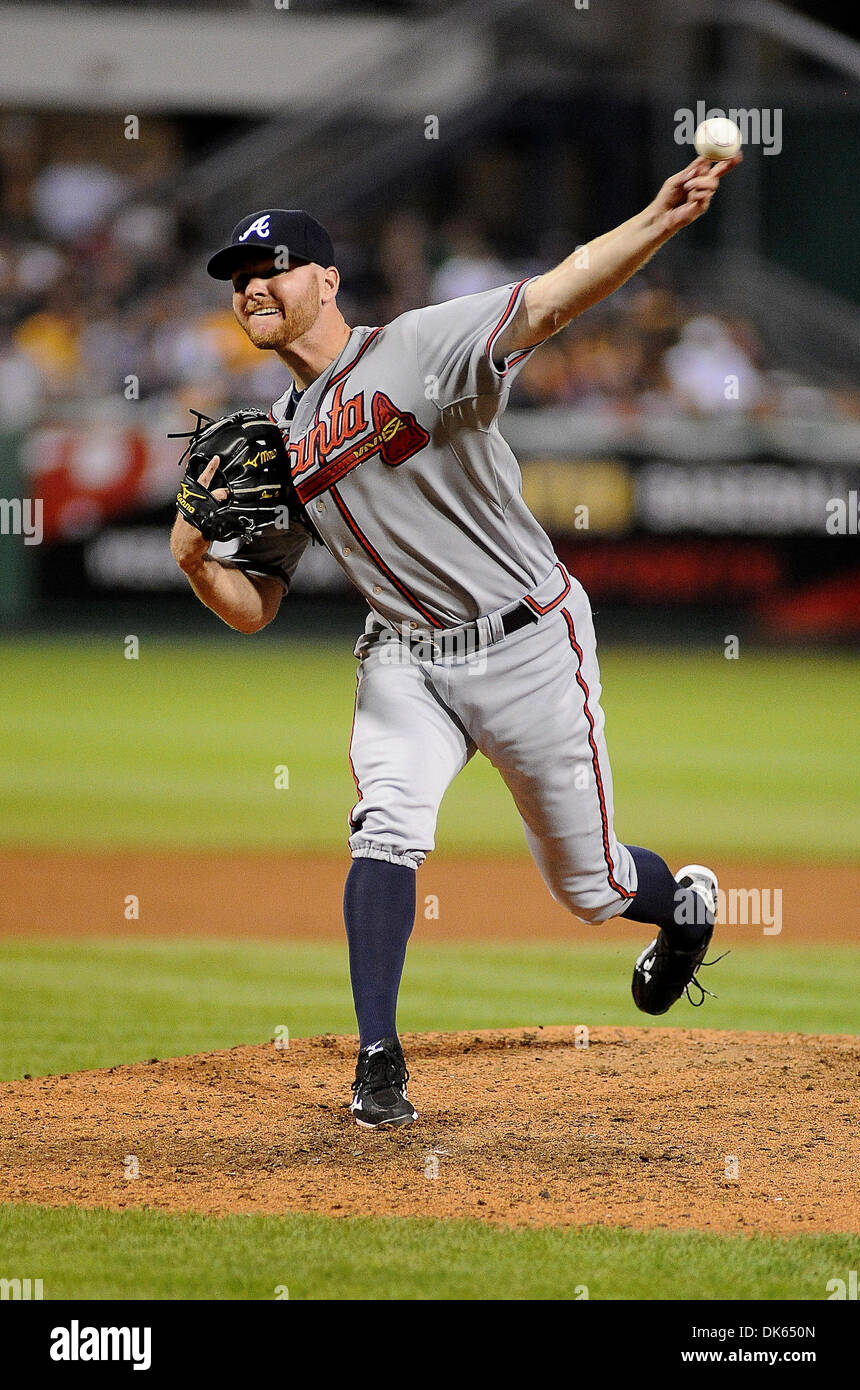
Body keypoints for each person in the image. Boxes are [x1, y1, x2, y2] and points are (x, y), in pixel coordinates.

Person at [170, 152, 741, 1128]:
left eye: (271, 267)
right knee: (384, 825)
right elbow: (255, 608)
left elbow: (554, 299)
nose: (252, 285)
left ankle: (681, 905)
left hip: (525, 641)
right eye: (237, 276)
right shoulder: (275, 437)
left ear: (326, 280)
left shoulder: (420, 345)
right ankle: (377, 1062)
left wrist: (657, 220)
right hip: (402, 656)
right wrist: (192, 556)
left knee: (591, 887)